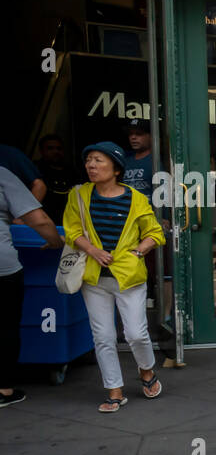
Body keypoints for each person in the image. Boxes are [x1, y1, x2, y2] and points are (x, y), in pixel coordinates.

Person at [64, 142, 164, 412]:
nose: (91, 166)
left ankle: (146, 370)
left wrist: (139, 252)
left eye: (98, 161)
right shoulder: (79, 195)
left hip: (129, 276)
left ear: (116, 168)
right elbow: (71, 230)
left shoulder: (136, 198)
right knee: (103, 336)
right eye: (89, 161)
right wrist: (93, 250)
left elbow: (154, 233)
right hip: (94, 278)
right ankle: (114, 390)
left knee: (136, 333)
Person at [1, 166, 64, 408]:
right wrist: (55, 242)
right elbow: (38, 220)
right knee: (5, 325)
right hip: (2, 267)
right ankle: (3, 389)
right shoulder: (3, 175)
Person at [34, 135, 77, 214]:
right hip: (42, 218)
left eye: (59, 148)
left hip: (68, 218)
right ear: (41, 151)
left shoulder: (72, 171)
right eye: (50, 148)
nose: (56, 151)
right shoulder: (34, 169)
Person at [121, 119, 154, 194]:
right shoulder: (124, 160)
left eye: (139, 134)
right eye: (130, 134)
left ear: (151, 137)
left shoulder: (157, 160)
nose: (133, 137)